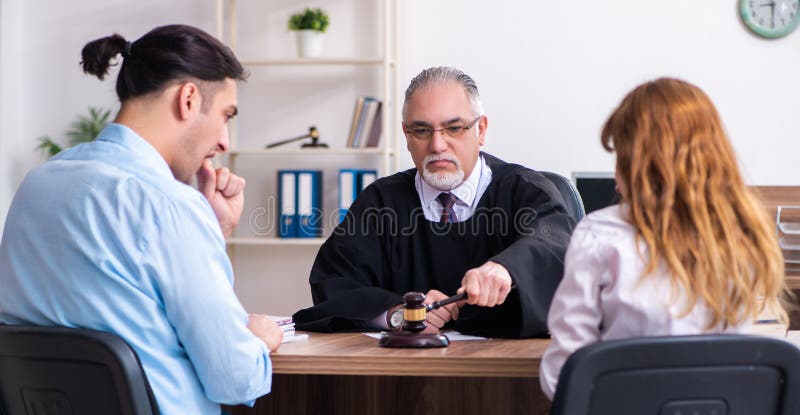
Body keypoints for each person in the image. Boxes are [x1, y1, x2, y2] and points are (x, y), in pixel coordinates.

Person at [0, 25, 284, 414]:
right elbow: (234, 379)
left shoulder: (37, 186)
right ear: (187, 99)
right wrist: (256, 341)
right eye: (225, 116)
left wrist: (211, 231)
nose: (223, 142)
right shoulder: (168, 205)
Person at [539, 77, 790, 399]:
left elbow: (562, 376)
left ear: (643, 161)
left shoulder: (599, 235)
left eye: (622, 157)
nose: (616, 177)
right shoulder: (746, 235)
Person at [292, 66, 576, 338]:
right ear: (406, 135)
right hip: (397, 375)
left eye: (454, 128)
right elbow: (334, 282)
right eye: (422, 130)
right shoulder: (380, 203)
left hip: (506, 373)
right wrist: (399, 314)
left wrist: (507, 268)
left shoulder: (526, 191)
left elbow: (555, 241)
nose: (438, 145)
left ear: (481, 130)